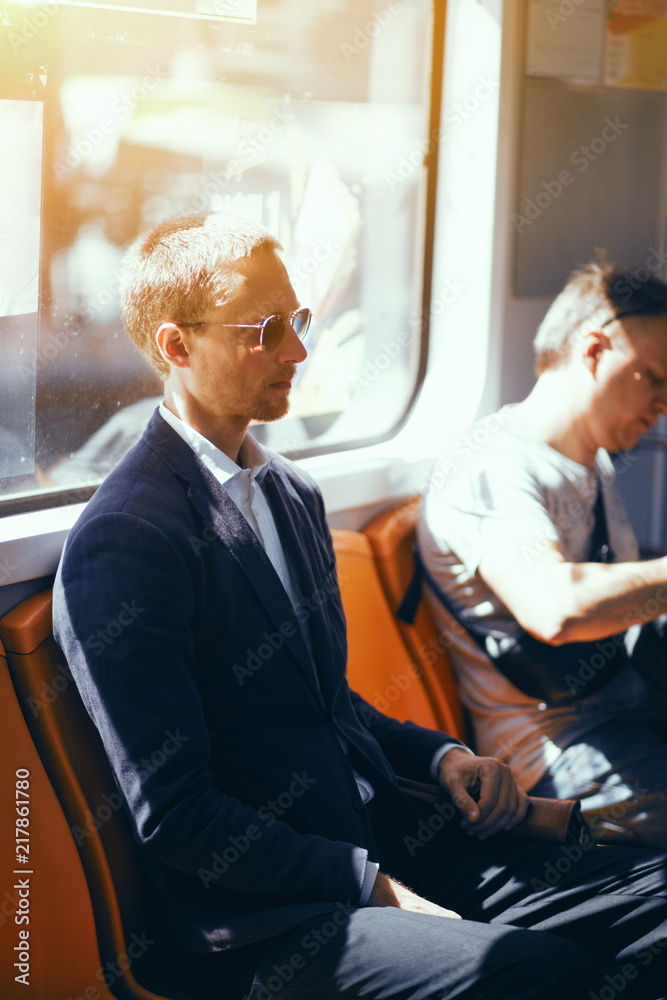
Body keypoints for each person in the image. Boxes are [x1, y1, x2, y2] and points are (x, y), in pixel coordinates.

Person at [53, 219, 667, 1000]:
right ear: (177, 346)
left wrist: (442, 759)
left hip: (385, 837)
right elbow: (178, 818)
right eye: (266, 331)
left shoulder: (291, 495)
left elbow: (327, 704)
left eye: (299, 322)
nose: (297, 352)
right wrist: (369, 884)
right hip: (270, 917)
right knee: (540, 974)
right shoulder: (129, 536)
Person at [418, 259, 667, 851]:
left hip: (623, 709)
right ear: (595, 350)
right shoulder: (491, 466)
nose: (663, 403)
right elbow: (556, 610)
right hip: (555, 759)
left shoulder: (591, 462)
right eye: (655, 379)